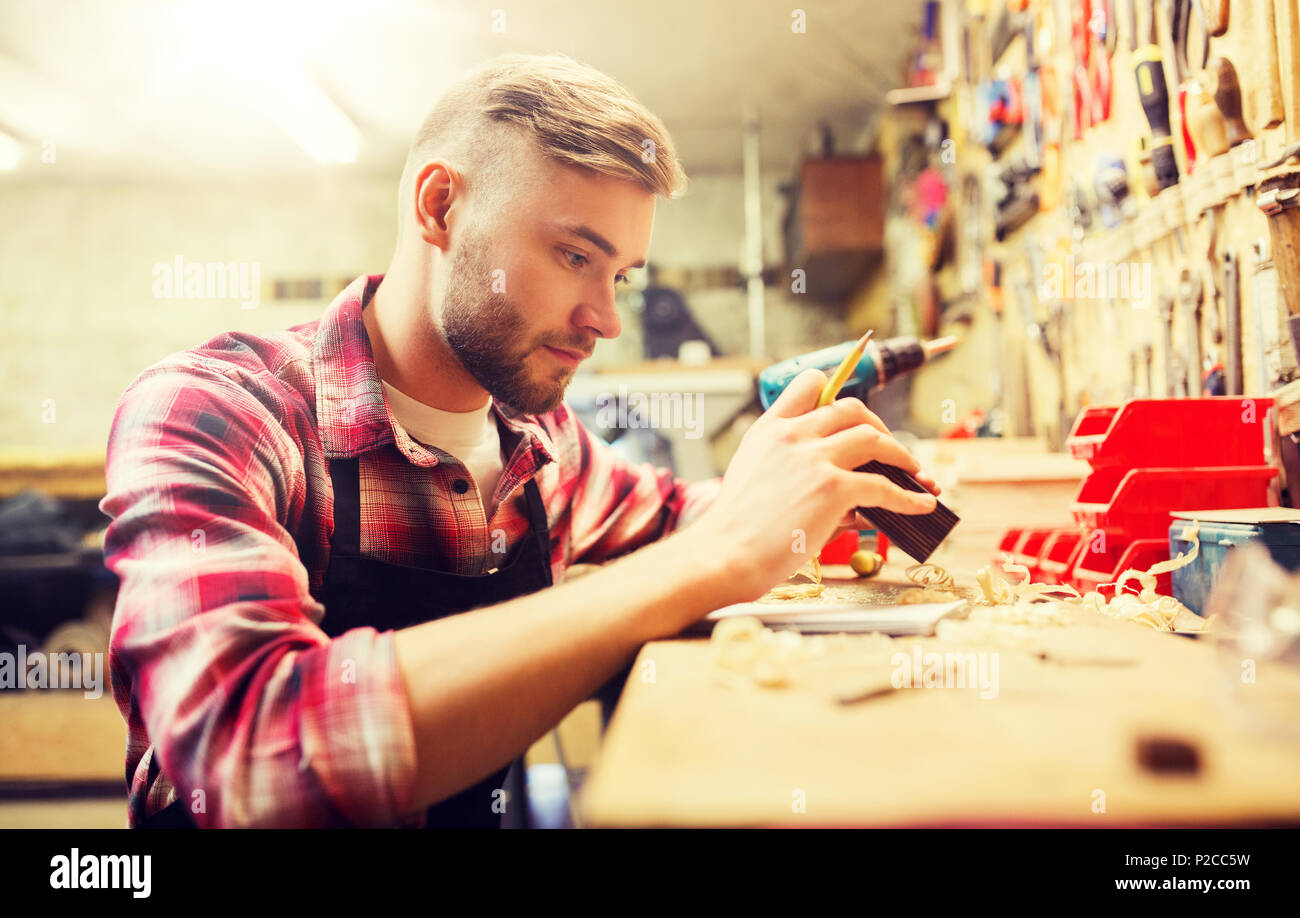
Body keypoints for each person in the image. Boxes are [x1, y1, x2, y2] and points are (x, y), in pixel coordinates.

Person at [100, 53, 940, 828]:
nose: (607, 319)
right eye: (576, 255)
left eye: (620, 277)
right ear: (440, 207)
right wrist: (709, 559)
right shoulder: (219, 413)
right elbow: (248, 759)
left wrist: (811, 490)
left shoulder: (542, 447)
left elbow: (685, 515)